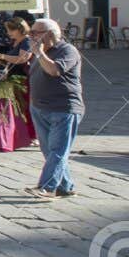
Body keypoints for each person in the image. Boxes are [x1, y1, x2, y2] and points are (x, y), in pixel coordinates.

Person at [27, 17, 84, 199]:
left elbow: (54, 71)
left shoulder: (67, 51)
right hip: (39, 107)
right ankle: (66, 187)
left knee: (58, 150)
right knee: (50, 151)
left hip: (64, 108)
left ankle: (47, 187)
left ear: (49, 35)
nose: (31, 36)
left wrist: (40, 54)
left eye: (35, 33)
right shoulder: (40, 51)